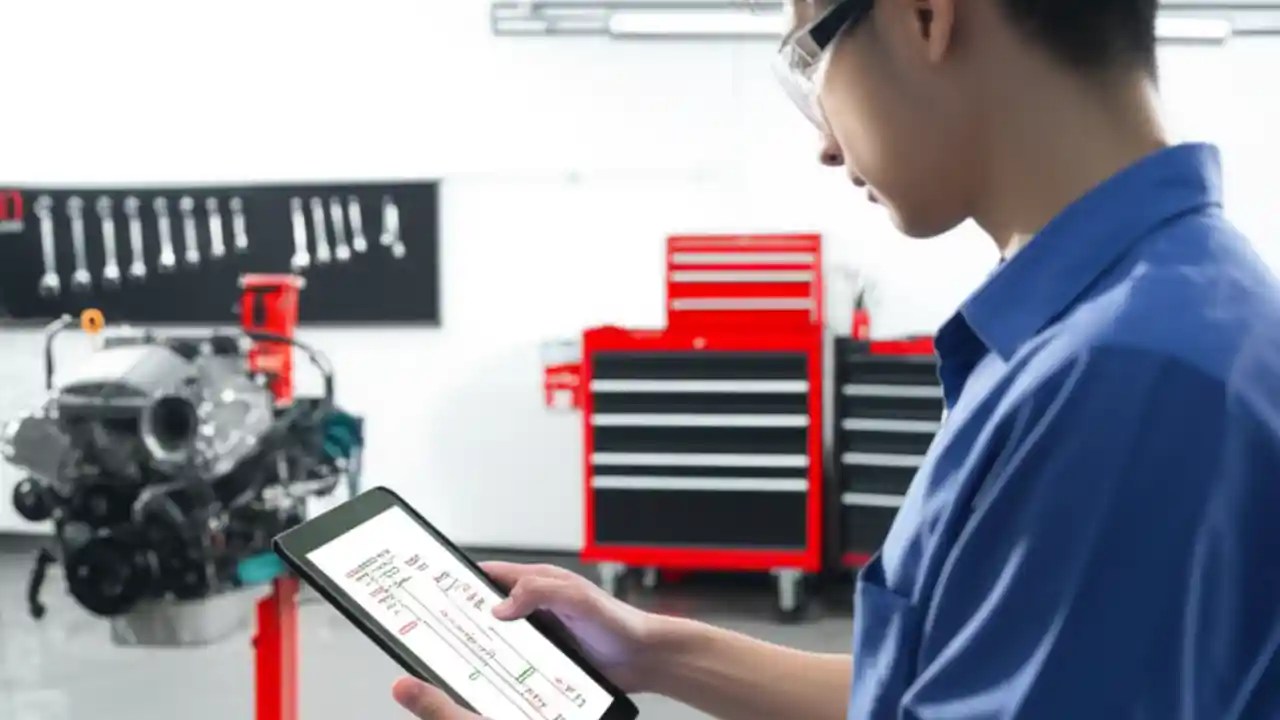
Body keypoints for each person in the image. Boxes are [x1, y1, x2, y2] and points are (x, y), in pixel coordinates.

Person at [396, 0, 1280, 717]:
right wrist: (659, 650)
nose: (824, 141)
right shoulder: (1127, 318)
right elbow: (944, 687)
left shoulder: (1133, 375)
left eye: (809, 61)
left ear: (926, 18)